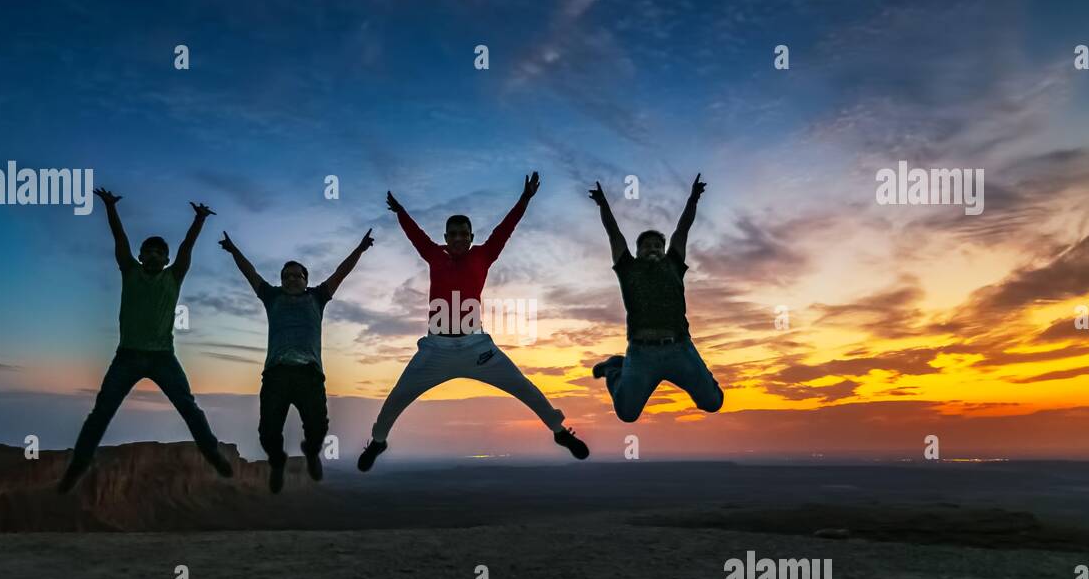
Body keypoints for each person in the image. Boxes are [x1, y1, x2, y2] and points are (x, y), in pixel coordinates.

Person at [358, 172, 589, 471]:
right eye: (452, 234)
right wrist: (401, 212)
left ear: (471, 237)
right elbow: (416, 235)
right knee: (395, 400)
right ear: (445, 238)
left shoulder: (483, 255)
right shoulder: (434, 256)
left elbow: (505, 230)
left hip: (476, 348)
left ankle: (559, 433)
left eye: (462, 234)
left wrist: (524, 200)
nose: (457, 238)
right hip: (435, 350)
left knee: (524, 387)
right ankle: (378, 441)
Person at [58, 188, 232, 493]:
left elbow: (187, 247)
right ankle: (78, 465)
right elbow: (119, 239)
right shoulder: (129, 271)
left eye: (158, 252)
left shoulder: (174, 276)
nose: (152, 255)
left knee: (188, 407)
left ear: (166, 259)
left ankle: (212, 453)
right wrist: (111, 208)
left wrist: (199, 220)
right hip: (127, 356)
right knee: (101, 412)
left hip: (163, 357)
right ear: (140, 256)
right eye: (147, 251)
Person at [220, 228, 374, 493]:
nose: (292, 279)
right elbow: (251, 273)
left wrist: (360, 249)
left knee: (318, 428)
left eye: (297, 275)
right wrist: (234, 251)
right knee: (268, 432)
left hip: (309, 375)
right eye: (286, 276)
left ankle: (311, 453)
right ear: (281, 281)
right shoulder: (272, 296)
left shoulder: (317, 297)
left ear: (306, 280)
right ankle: (277, 463)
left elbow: (341, 272)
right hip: (276, 375)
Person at [588, 172, 724, 421]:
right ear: (637, 252)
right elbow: (614, 233)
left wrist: (693, 199)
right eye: (646, 245)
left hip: (680, 349)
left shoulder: (673, 264)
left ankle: (703, 377)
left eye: (657, 246)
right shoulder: (628, 268)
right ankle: (615, 369)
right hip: (641, 354)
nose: (653, 248)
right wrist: (603, 204)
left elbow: (683, 229)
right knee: (627, 414)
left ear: (663, 251)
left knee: (713, 403)